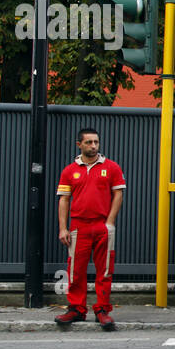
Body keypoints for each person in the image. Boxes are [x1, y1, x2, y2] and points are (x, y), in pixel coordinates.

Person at [55, 128, 126, 331]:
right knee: (75, 270)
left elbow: (118, 195)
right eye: (89, 142)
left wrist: (110, 222)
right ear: (79, 145)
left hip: (102, 224)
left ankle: (102, 310)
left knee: (104, 270)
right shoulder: (69, 171)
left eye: (96, 142)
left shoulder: (111, 167)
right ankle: (76, 309)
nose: (93, 146)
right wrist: (63, 228)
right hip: (79, 226)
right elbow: (64, 200)